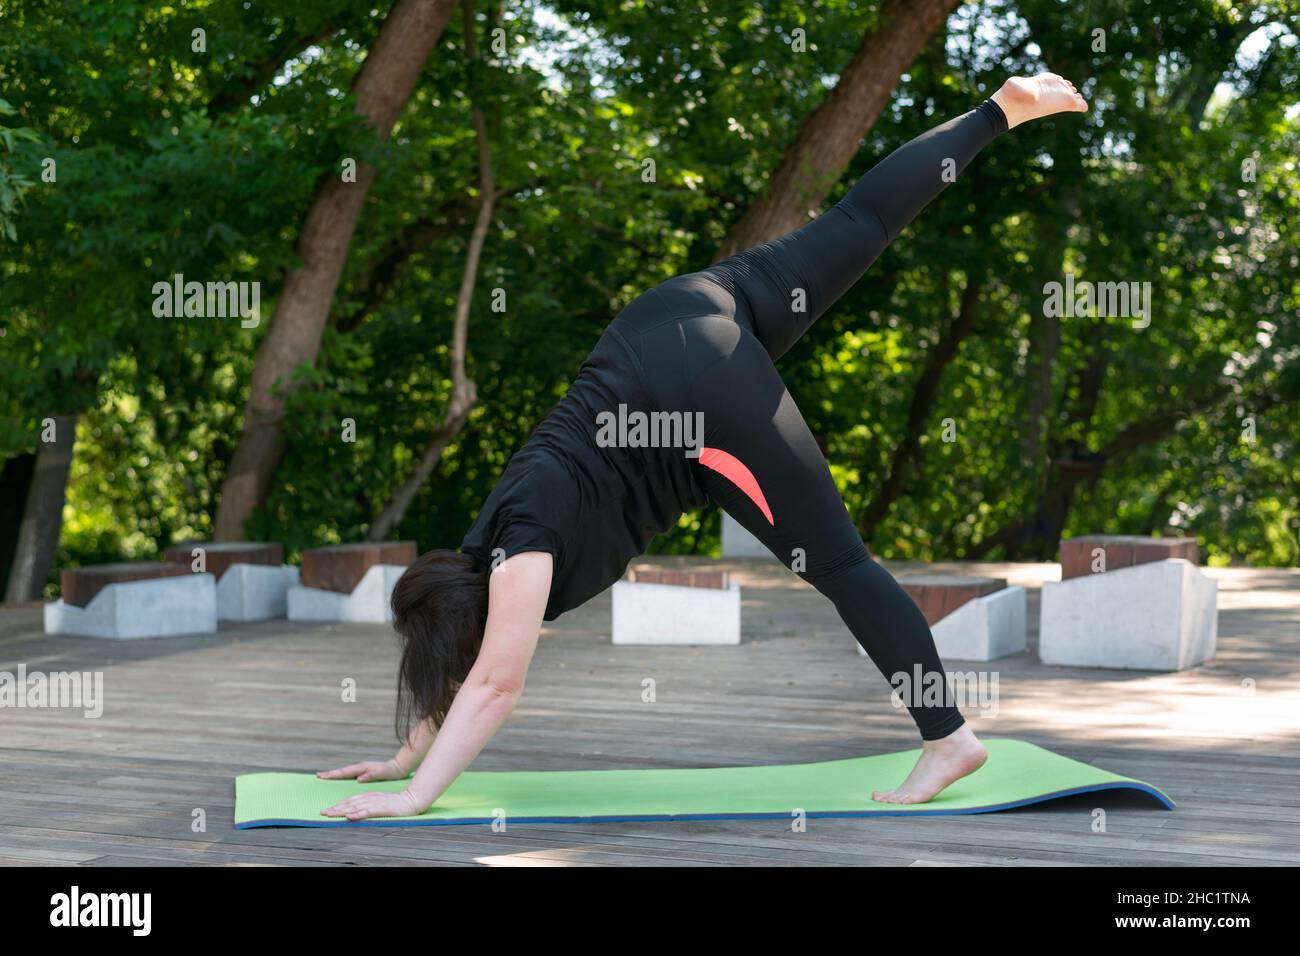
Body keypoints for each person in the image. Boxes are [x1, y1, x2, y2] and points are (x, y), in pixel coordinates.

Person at [319, 74, 1089, 821]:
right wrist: (402, 756)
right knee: (859, 222)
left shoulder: (520, 556)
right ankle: (997, 111)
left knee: (843, 564)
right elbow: (468, 657)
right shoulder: (482, 546)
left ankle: (950, 739)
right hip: (673, 317)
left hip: (691, 409)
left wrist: (413, 796)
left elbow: (494, 682)